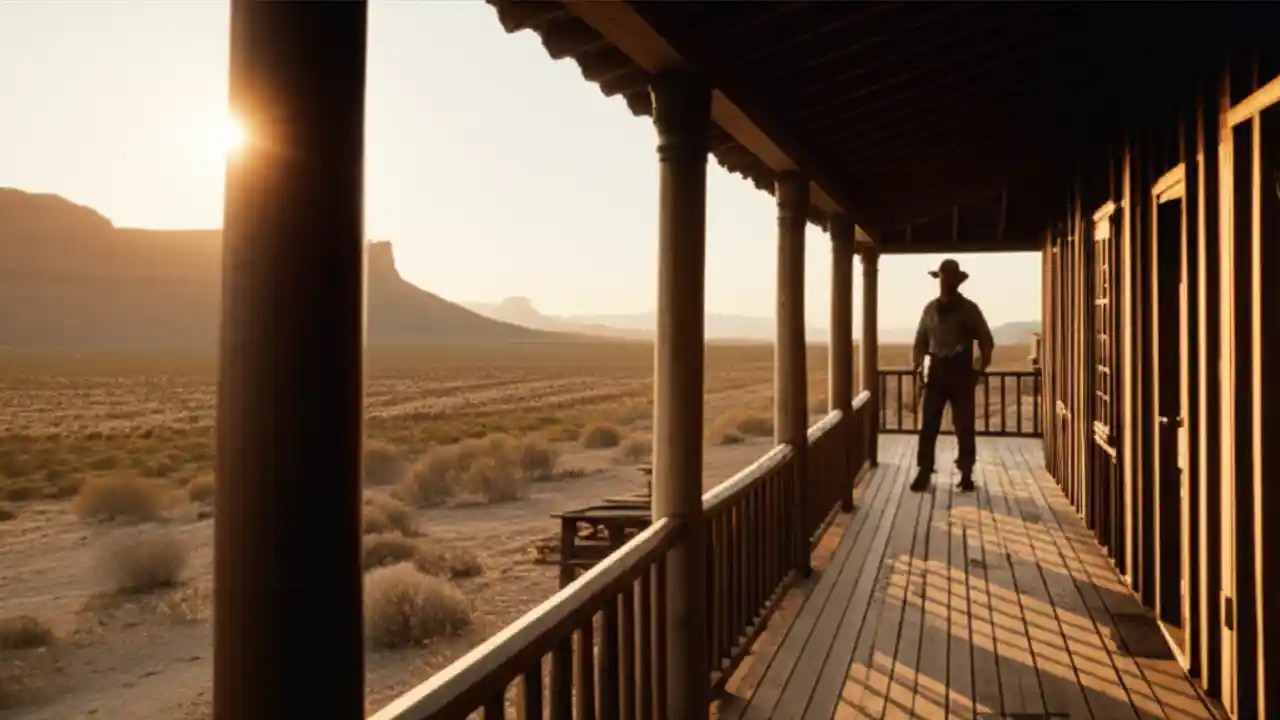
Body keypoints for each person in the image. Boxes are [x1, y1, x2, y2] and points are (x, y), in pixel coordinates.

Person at [910, 258, 994, 492]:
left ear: (957, 281)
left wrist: (979, 368)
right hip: (936, 372)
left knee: (964, 425)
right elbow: (920, 341)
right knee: (928, 425)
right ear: (939, 279)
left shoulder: (969, 310)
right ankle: (924, 471)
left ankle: (966, 472)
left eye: (950, 277)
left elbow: (986, 341)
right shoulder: (929, 310)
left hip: (960, 372)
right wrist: (918, 367)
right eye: (943, 277)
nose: (946, 282)